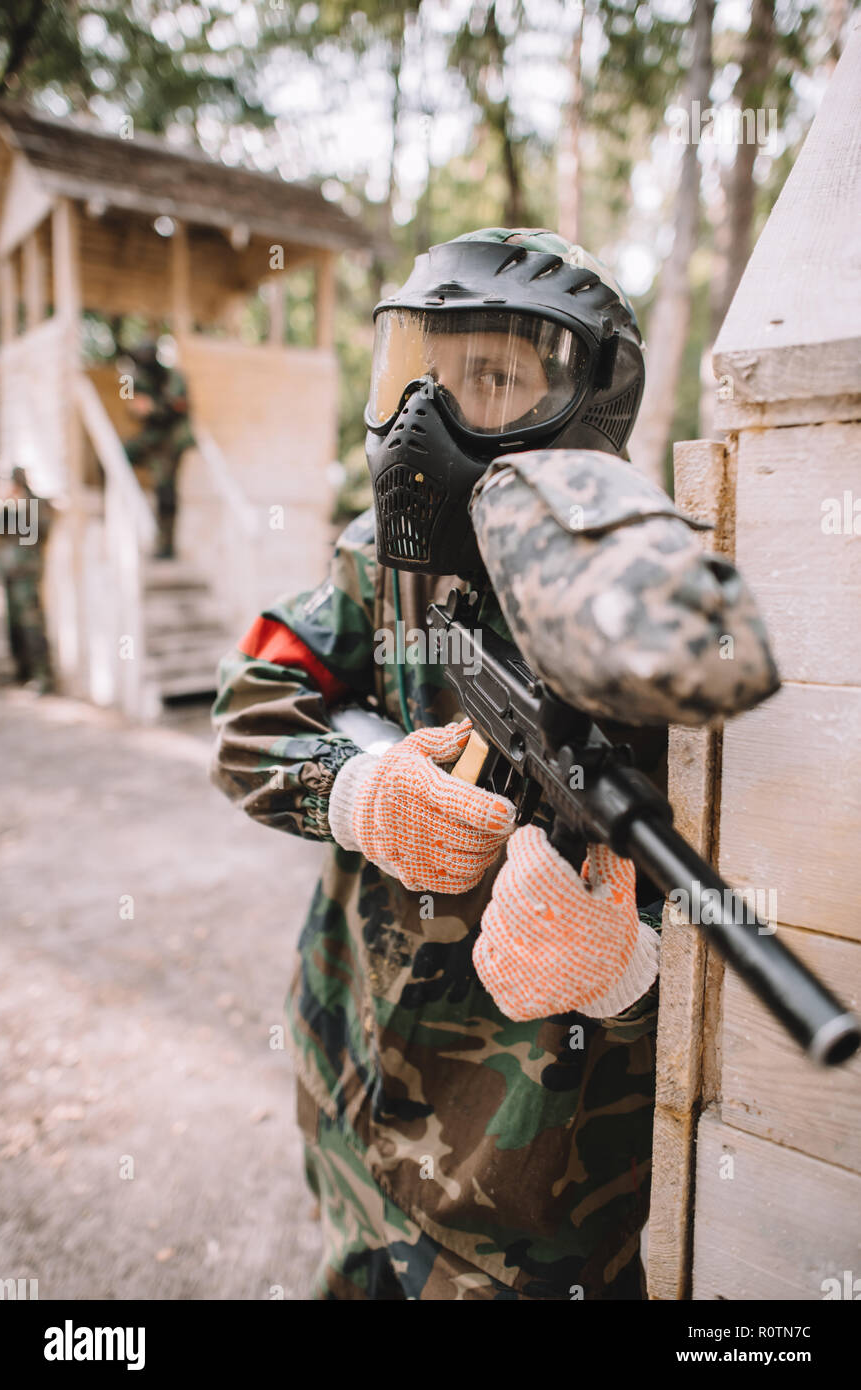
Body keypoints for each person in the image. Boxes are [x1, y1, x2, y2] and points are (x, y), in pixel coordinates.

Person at [210, 227, 661, 1300]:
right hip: (350, 1090)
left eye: (490, 379)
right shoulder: (381, 560)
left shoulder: (658, 620)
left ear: (582, 406)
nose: (424, 418)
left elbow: (774, 922)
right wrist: (359, 790)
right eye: (419, 372)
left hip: (523, 1211)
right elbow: (248, 707)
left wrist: (634, 971)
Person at [121, 339, 194, 559]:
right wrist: (139, 408)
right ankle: (121, 510)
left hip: (172, 440)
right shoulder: (138, 379)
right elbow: (132, 406)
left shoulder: (175, 378)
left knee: (166, 492)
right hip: (153, 439)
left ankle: (166, 545)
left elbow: (178, 407)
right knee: (121, 454)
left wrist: (154, 408)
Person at [0, 467, 55, 693]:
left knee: (31, 626)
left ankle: (42, 676)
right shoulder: (7, 506)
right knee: (15, 627)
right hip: (9, 573)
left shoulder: (33, 505)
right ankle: (22, 672)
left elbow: (35, 533)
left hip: (26, 576)